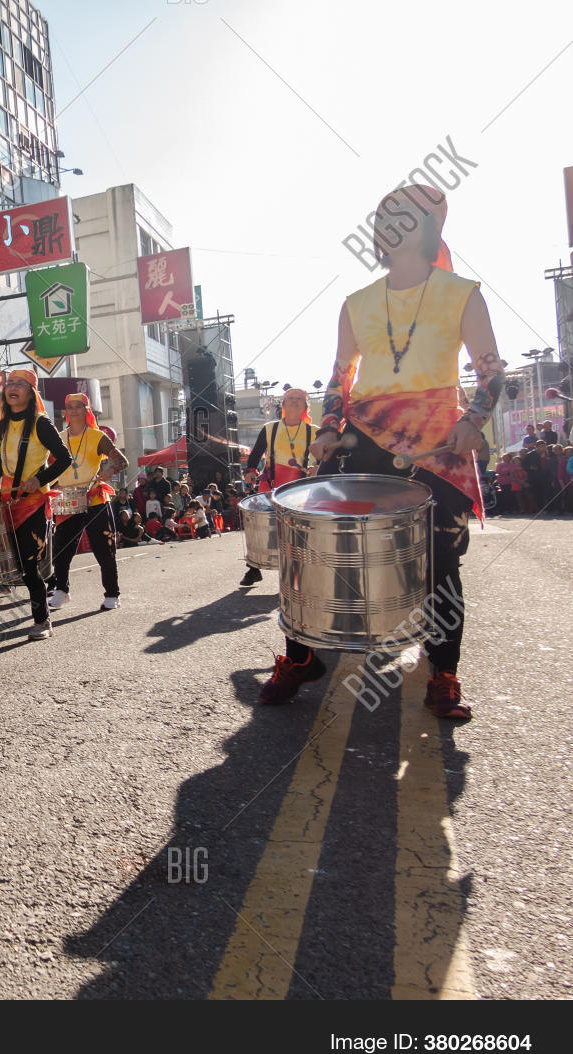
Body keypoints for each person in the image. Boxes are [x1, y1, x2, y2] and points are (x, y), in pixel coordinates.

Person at [260, 183, 503, 720]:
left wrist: (474, 419)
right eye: (385, 216)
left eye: (407, 214)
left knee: (439, 563)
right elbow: (340, 378)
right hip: (365, 437)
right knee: (319, 547)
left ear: (429, 226)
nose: (394, 223)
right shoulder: (356, 303)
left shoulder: (462, 292)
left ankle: (443, 671)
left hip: (439, 440)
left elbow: (491, 370)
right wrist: (327, 429)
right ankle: (303, 656)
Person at [0, 370, 70, 641]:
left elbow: (64, 459)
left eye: (21, 384)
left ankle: (42, 621)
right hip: (4, 503)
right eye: (9, 384)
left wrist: (39, 480)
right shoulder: (4, 423)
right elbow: (4, 462)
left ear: (32, 393)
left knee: (29, 567)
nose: (13, 388)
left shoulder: (41, 424)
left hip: (31, 505)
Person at [47, 393, 126, 611]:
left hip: (94, 498)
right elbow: (48, 468)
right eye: (69, 407)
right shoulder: (58, 438)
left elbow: (121, 460)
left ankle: (112, 594)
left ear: (86, 410)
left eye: (78, 406)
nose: (73, 410)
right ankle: (61, 590)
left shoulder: (96, 436)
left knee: (104, 548)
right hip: (68, 499)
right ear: (65, 412)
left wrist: (109, 470)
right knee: (62, 549)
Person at [239, 386, 318, 585]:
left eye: (299, 398)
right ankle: (254, 568)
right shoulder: (270, 428)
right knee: (262, 525)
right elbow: (256, 454)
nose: (294, 401)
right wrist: (251, 471)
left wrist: (317, 467)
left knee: (296, 530)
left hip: (298, 487)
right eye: (290, 398)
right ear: (283, 404)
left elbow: (324, 458)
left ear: (305, 406)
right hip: (270, 483)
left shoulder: (314, 431)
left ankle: (296, 571)